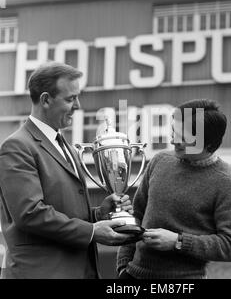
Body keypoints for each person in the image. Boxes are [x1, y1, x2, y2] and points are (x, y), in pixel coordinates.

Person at [0, 61, 134, 279]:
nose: (78, 106)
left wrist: (98, 214)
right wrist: (92, 231)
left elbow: (62, 210)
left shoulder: (67, 146)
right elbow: (30, 213)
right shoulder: (17, 146)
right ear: (45, 100)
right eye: (70, 99)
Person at [117, 99, 231, 279]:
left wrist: (178, 242)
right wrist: (123, 266)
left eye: (183, 138)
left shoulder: (228, 183)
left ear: (208, 144)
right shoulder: (160, 161)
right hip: (132, 276)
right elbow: (136, 216)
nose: (173, 140)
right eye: (173, 132)